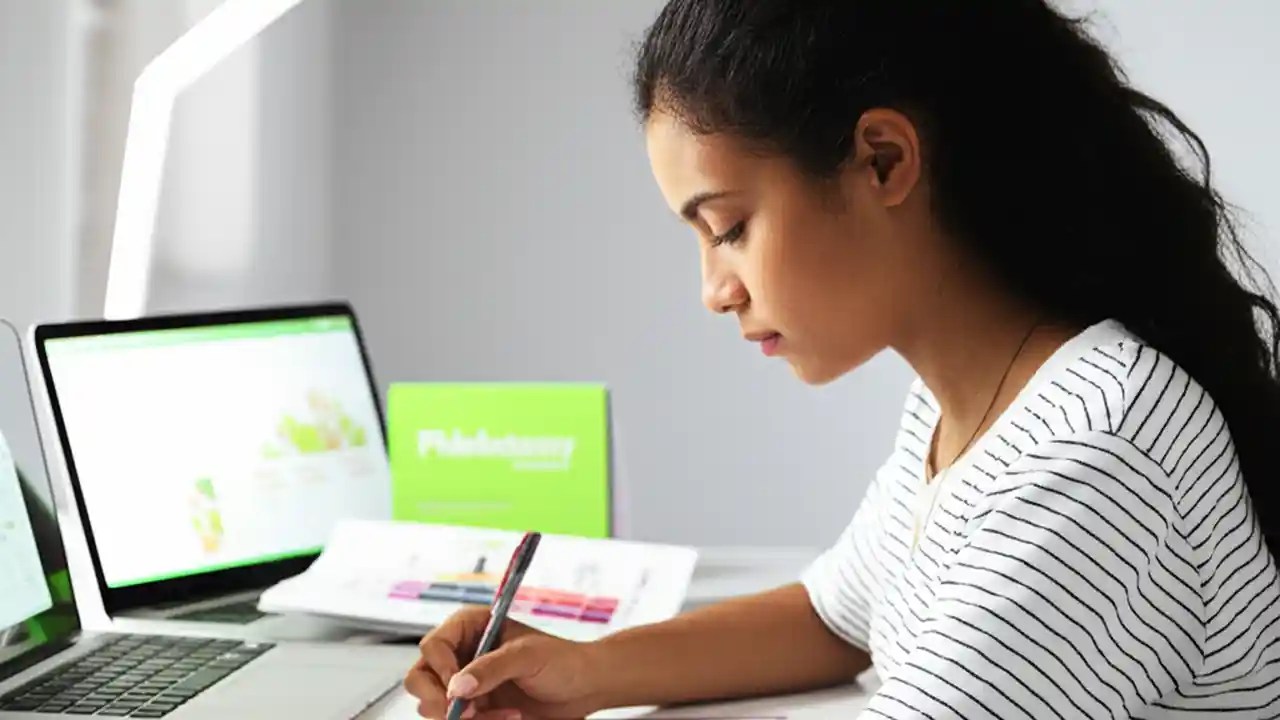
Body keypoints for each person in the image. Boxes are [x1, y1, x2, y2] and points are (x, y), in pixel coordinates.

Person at [405, 1, 1280, 717]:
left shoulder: (1096, 450)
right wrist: (582, 674)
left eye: (729, 230)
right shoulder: (966, 406)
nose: (715, 289)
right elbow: (838, 617)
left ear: (883, 160)